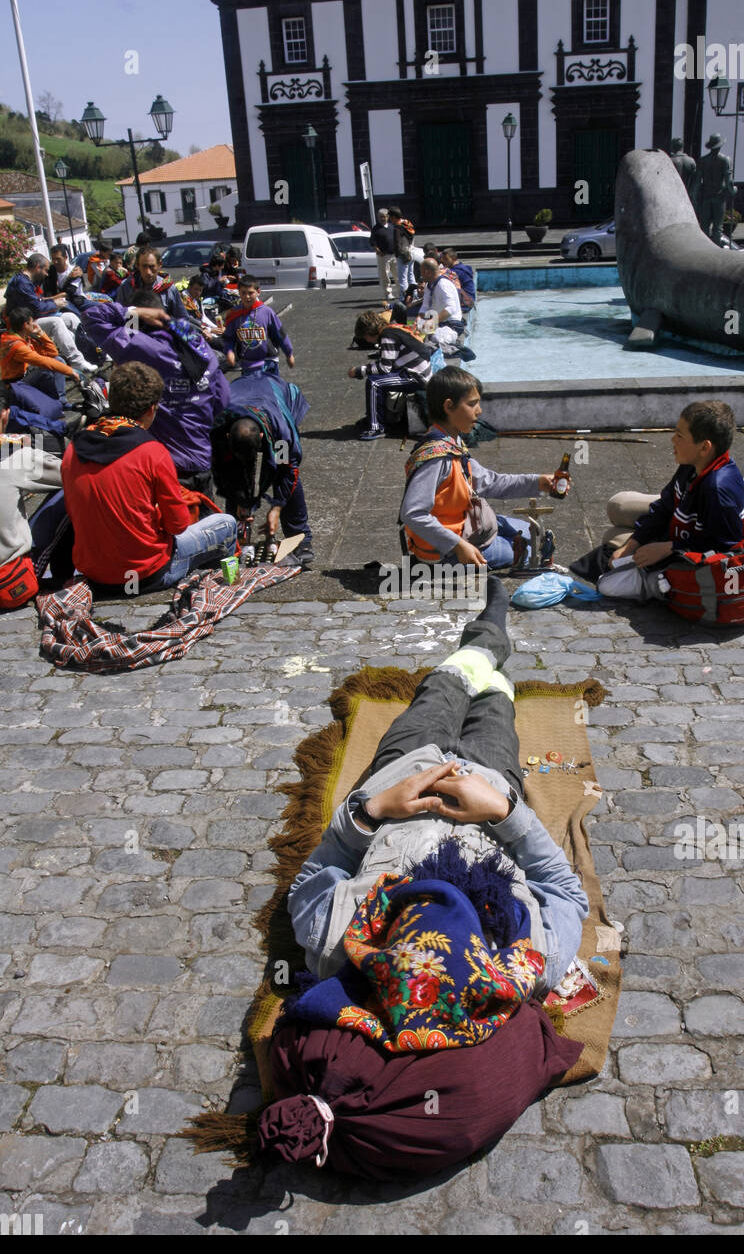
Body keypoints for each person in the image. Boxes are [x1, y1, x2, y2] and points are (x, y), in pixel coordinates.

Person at [287, 576, 589, 990]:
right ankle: (492, 647)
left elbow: (313, 877)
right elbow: (566, 891)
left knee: (441, 686)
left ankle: (485, 638)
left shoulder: (336, 947)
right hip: (490, 784)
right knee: (496, 701)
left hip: (405, 773)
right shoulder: (530, 961)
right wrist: (504, 813)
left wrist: (372, 810)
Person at [61, 361, 237, 593]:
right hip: (148, 574)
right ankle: (227, 584)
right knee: (226, 523)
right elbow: (177, 525)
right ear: (152, 409)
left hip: (94, 575)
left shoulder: (73, 448)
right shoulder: (152, 452)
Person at [569, 400, 744, 596]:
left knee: (612, 545)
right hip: (682, 527)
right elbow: (664, 507)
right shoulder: (693, 464)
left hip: (696, 553)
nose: (673, 440)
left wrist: (668, 549)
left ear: (704, 448)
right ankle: (629, 546)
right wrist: (631, 545)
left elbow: (724, 549)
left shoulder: (717, 490)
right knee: (618, 506)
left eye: (680, 436)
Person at [400, 367, 567, 571]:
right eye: (472, 404)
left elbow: (489, 482)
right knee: (535, 550)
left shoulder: (450, 442)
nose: (479, 411)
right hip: (447, 552)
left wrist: (538, 482)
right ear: (449, 406)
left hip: (463, 527)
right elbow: (413, 513)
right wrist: (458, 546)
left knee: (532, 532)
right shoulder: (437, 459)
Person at [79, 291, 230, 496]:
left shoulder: (140, 347)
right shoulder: (196, 342)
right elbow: (222, 398)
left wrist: (133, 312)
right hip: (201, 459)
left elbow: (92, 317)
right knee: (205, 524)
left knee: (171, 525)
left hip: (165, 465)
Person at [210, 369, 313, 565]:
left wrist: (276, 508)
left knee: (282, 472)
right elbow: (222, 471)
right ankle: (237, 535)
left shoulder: (281, 434)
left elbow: (288, 471)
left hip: (276, 396)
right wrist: (239, 500)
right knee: (235, 472)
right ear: (228, 437)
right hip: (242, 395)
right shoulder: (219, 426)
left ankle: (301, 537)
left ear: (261, 438)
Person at [0, 390, 64, 609]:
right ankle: (63, 572)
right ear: (5, 415)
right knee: (69, 491)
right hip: (11, 581)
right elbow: (70, 475)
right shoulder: (14, 456)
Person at [349, 308, 434, 441]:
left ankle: (377, 427)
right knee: (378, 380)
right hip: (419, 372)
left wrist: (359, 371)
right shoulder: (393, 329)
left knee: (374, 383)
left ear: (368, 332)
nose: (366, 340)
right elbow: (388, 361)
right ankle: (374, 418)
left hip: (415, 376)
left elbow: (384, 368)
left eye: (365, 336)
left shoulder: (387, 336)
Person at [4, 254, 97, 374]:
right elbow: (37, 308)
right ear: (38, 267)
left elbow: (37, 302)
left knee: (70, 317)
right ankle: (76, 361)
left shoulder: (26, 281)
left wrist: (54, 300)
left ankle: (91, 351)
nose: (47, 274)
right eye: (46, 270)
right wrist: (55, 304)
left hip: (32, 318)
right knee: (55, 322)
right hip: (22, 325)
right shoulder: (22, 283)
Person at [0, 308, 77, 403]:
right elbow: (41, 360)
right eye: (32, 322)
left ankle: (61, 400)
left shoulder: (25, 337)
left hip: (27, 375)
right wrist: (70, 371)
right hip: (15, 384)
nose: (34, 324)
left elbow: (52, 353)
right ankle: (57, 403)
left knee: (58, 359)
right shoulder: (15, 345)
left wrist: (41, 333)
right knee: (46, 372)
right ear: (26, 325)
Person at [222, 277, 294, 372]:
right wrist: (229, 351)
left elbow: (280, 334)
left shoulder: (266, 312)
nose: (247, 296)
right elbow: (228, 337)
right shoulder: (234, 314)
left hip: (268, 362)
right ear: (239, 292)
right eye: (243, 293)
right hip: (247, 363)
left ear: (258, 292)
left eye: (250, 293)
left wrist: (289, 353)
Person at [115, 247, 186, 320]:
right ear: (137, 265)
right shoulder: (126, 287)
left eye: (152, 267)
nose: (148, 272)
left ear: (159, 264)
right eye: (144, 266)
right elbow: (118, 316)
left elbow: (182, 319)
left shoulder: (169, 289)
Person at [412, 257, 463, 355]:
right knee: (411, 332)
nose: (421, 275)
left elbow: (451, 308)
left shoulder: (443, 285)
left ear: (427, 272)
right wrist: (419, 318)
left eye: (422, 272)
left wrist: (433, 321)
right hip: (436, 323)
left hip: (452, 324)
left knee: (436, 340)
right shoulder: (429, 286)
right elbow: (425, 306)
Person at [695, 133, 737, 246]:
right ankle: (716, 250)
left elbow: (697, 182)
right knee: (717, 229)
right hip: (719, 197)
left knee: (704, 227)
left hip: (706, 197)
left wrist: (694, 197)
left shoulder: (703, 160)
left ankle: (704, 249)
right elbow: (728, 181)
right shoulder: (725, 160)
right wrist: (733, 190)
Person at [180, 275, 226, 346]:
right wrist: (210, 330)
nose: (198, 293)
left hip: (203, 329)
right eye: (196, 289)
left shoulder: (196, 301)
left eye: (200, 290)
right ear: (189, 287)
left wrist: (218, 328)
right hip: (192, 332)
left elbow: (203, 318)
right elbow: (189, 321)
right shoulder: (182, 300)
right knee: (221, 344)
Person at [388, 206, 417, 300]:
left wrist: (397, 254)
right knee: (411, 275)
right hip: (412, 251)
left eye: (390, 217)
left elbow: (397, 243)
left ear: (393, 217)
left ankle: (404, 297)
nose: (390, 220)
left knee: (402, 278)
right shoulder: (407, 223)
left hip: (403, 254)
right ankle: (415, 295)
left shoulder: (398, 228)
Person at [370, 207, 397, 304]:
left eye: (384, 217)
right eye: (381, 217)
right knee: (385, 275)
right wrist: (377, 250)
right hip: (383, 256)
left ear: (388, 217)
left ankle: (401, 292)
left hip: (394, 255)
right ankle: (388, 293)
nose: (383, 219)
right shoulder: (376, 228)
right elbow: (372, 242)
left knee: (397, 274)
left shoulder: (392, 226)